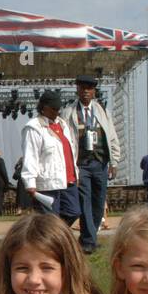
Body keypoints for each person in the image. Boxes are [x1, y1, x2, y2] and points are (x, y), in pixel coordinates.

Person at [60, 75, 122, 254]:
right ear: (77, 90)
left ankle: (90, 235)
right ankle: (88, 241)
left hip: (100, 162)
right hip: (81, 164)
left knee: (98, 201)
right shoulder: (68, 112)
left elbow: (112, 137)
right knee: (84, 201)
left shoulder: (102, 111)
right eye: (82, 88)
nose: (86, 91)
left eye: (89, 88)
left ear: (94, 91)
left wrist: (114, 161)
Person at [20, 90, 79, 222]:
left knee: (73, 212)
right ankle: (50, 239)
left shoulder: (63, 124)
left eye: (58, 109)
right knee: (50, 220)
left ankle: (55, 235)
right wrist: (30, 182)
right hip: (47, 182)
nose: (57, 112)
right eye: (53, 108)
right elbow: (30, 156)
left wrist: (76, 173)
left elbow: (70, 151)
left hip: (68, 180)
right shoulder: (33, 127)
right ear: (44, 108)